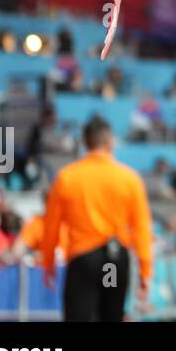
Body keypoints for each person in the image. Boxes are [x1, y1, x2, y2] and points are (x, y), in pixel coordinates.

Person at [40, 116, 153, 321]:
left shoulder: (68, 177)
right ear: (110, 142)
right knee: (109, 315)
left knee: (79, 316)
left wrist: (48, 262)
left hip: (84, 261)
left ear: (85, 143)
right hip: (112, 262)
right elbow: (141, 228)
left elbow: (51, 224)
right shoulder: (129, 179)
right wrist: (145, 271)